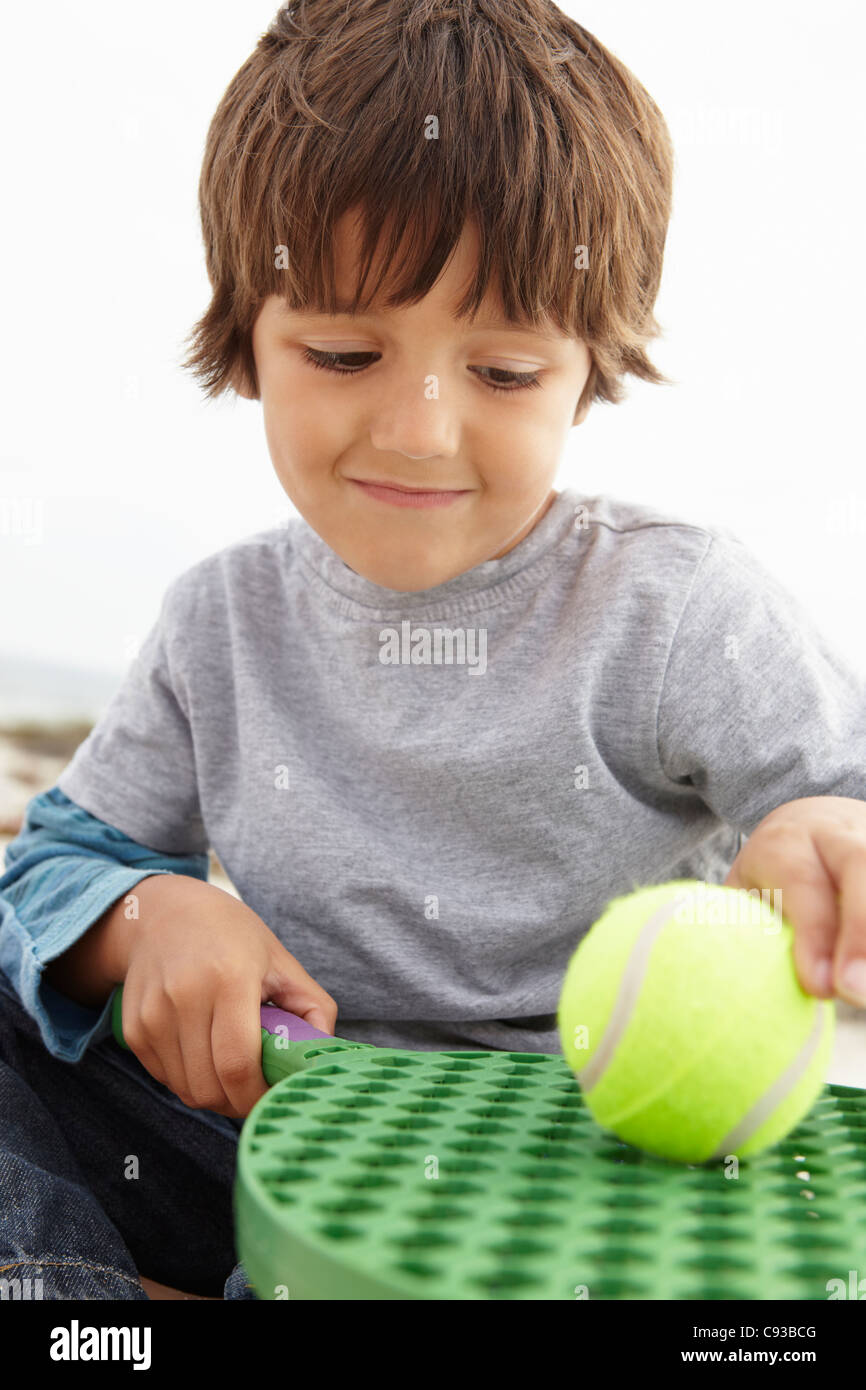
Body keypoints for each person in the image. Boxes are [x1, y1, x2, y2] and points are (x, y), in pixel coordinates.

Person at [2, 0, 865, 1301]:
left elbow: (841, 792)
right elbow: (62, 858)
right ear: (246, 342)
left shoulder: (678, 605)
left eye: (505, 372)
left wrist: (819, 826)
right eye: (345, 352)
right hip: (282, 1131)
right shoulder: (216, 622)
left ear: (590, 370)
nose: (417, 430)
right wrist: (145, 911)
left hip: (594, 1166)